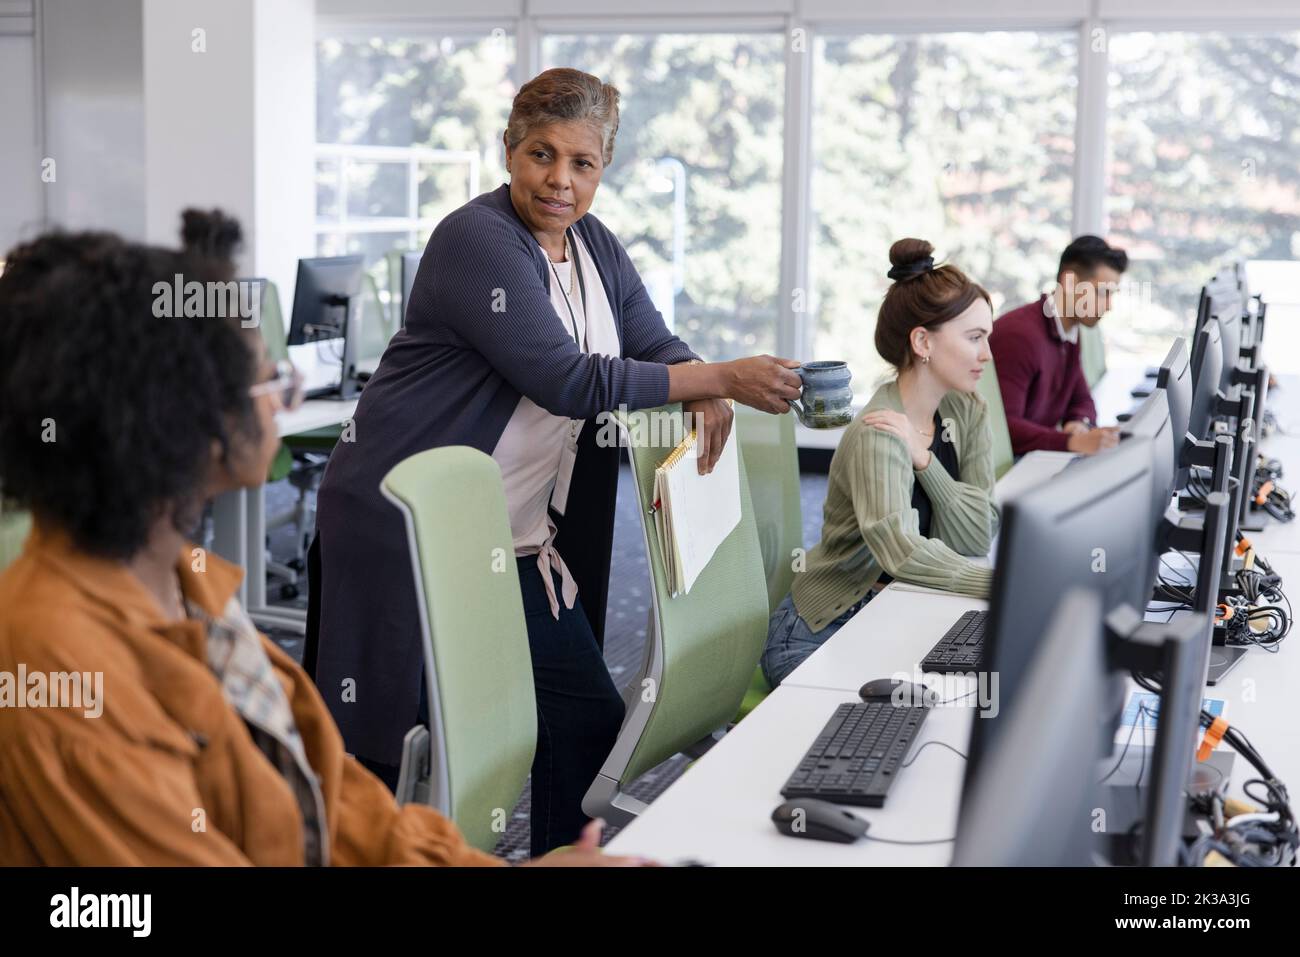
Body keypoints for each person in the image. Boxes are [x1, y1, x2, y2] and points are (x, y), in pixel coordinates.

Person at [0, 229, 641, 866]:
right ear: (178, 419)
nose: (292, 394)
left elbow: (332, 805)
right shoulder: (64, 668)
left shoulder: (187, 588)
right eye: (267, 378)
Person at [306, 67, 803, 856]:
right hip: (408, 525)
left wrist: (698, 380)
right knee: (402, 747)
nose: (560, 181)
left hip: (518, 540)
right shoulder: (476, 240)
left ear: (603, 170)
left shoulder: (593, 245)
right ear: (508, 149)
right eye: (542, 154)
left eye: (583, 164)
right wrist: (721, 378)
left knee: (583, 722)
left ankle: (562, 857)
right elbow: (567, 379)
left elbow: (648, 336)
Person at [760, 239, 1000, 688]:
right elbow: (902, 550)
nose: (987, 354)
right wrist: (1003, 586)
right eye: (975, 338)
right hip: (821, 633)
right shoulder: (879, 429)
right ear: (923, 341)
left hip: (898, 613)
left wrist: (927, 462)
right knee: (881, 731)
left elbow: (976, 534)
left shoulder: (968, 412)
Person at [989, 235, 1129, 456]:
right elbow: (1004, 428)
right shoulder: (1020, 337)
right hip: (1010, 470)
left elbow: (1081, 398)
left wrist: (1078, 423)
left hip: (1034, 459)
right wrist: (1070, 441)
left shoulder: (1069, 330)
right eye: (1103, 293)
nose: (1109, 305)